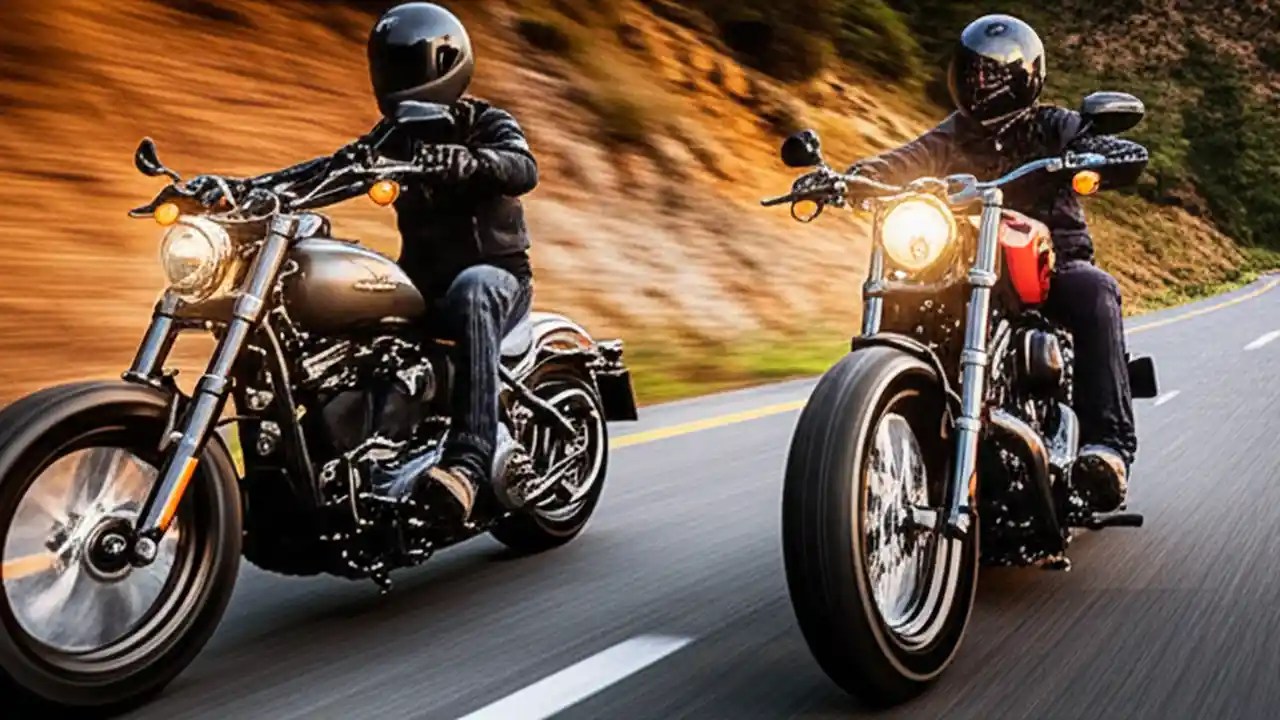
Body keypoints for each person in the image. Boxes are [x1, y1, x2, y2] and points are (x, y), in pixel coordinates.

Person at [200, 2, 536, 521]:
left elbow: (522, 166)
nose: (396, 78)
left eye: (408, 66)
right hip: (423, 286)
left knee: (473, 289)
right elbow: (326, 171)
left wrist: (473, 161)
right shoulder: (391, 138)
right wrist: (234, 190)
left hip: (497, 280)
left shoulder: (483, 120)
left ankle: (468, 463)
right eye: (389, 66)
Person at [851, 14, 1137, 512]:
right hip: (966, 266)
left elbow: (1088, 142)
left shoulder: (1054, 125)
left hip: (1050, 265)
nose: (979, 83)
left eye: (992, 74)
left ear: (1024, 77)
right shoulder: (952, 135)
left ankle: (1106, 449)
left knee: (1095, 291)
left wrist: (1100, 153)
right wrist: (858, 176)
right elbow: (906, 159)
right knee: (905, 294)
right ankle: (871, 433)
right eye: (971, 72)